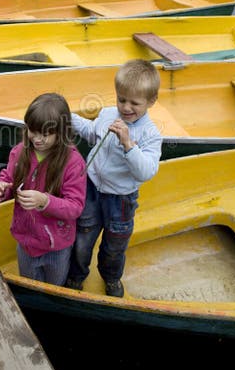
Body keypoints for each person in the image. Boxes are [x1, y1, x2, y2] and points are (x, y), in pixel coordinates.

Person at [65, 59, 162, 298]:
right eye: (121, 99)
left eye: (134, 103)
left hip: (121, 199)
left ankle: (111, 277)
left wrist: (129, 145)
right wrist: (69, 117)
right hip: (91, 188)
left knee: (115, 244)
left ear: (151, 102)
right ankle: (76, 275)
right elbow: (91, 133)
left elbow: (146, 172)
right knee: (83, 235)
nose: (126, 107)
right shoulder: (109, 113)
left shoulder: (151, 134)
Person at [0, 92, 87, 285]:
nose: (37, 139)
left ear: (61, 132)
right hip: (26, 240)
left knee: (54, 285)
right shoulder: (19, 152)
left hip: (57, 245)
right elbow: (7, 179)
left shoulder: (73, 163)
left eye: (46, 134)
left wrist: (45, 201)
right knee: (30, 283)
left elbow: (75, 206)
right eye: (33, 131)